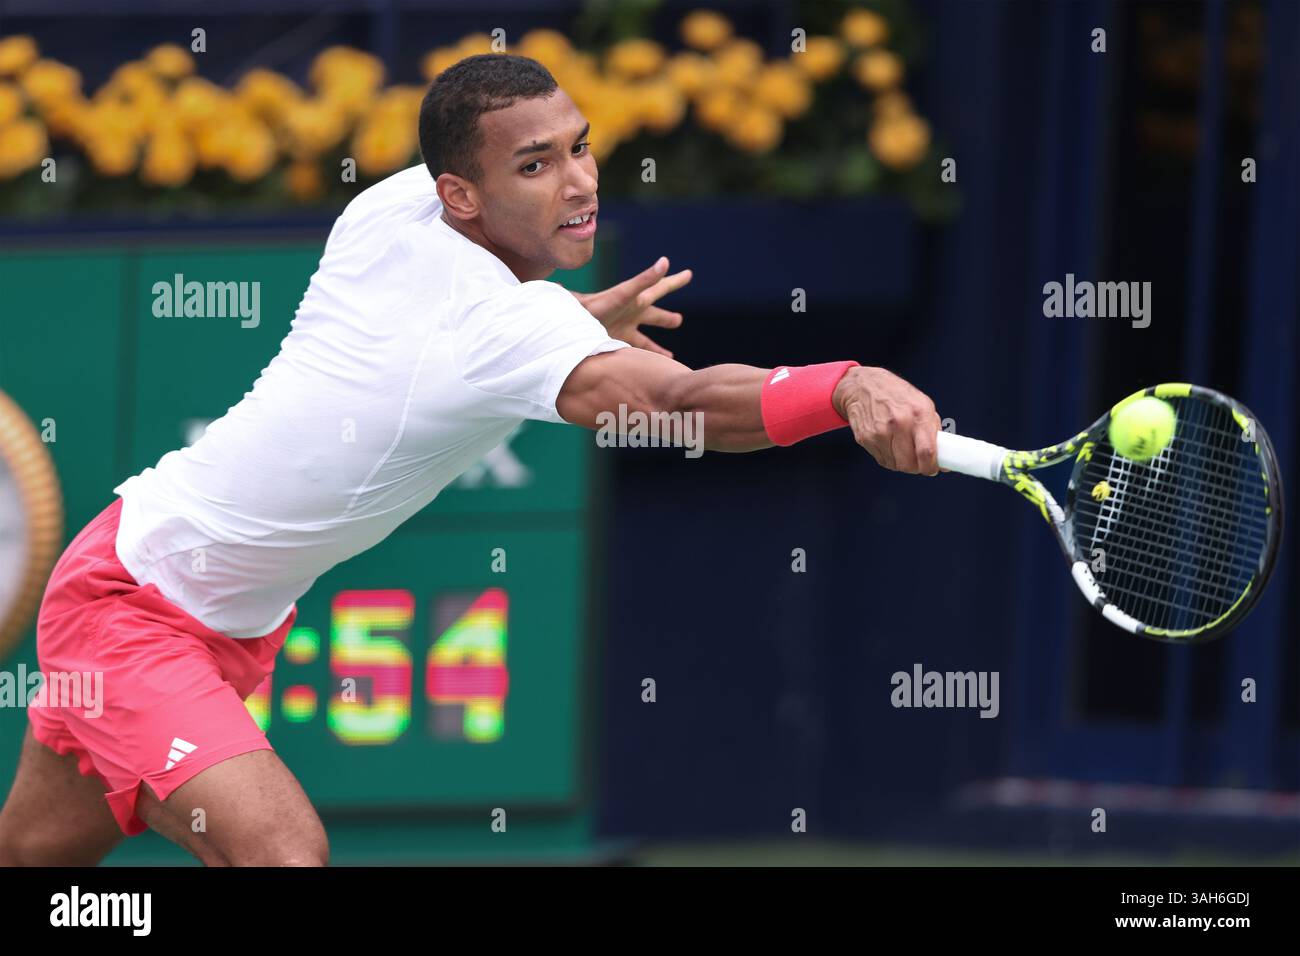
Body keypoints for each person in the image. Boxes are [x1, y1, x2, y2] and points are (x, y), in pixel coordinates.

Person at [0, 54, 941, 866]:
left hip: (190, 591)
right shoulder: (502, 323)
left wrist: (569, 322)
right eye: (535, 165)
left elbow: (440, 344)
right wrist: (846, 383)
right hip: (130, 609)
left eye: (578, 145)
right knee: (283, 853)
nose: (577, 182)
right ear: (459, 192)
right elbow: (673, 402)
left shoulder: (393, 210)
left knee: (35, 858)